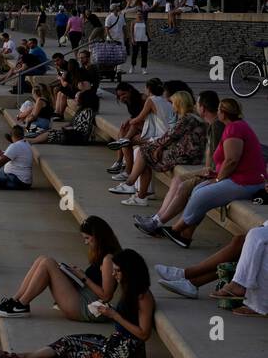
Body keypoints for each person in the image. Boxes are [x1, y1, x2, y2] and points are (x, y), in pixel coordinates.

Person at [0, 248, 154, 358]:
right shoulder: (129, 290)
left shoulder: (143, 297)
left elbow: (144, 334)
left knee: (72, 356)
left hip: (124, 356)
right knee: (68, 341)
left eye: (117, 271)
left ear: (130, 271)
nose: (113, 274)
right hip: (114, 343)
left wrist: (114, 315)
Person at [159, 98, 265, 249]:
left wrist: (218, 179)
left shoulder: (234, 129)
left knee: (201, 195)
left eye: (219, 111)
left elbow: (232, 160)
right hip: (240, 179)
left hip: (246, 182)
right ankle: (186, 236)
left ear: (223, 113)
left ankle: (177, 229)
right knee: (198, 190)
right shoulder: (236, 126)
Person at [0, 216, 122, 321]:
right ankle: (16, 301)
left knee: (48, 263)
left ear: (98, 237)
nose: (86, 242)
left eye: (88, 238)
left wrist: (83, 276)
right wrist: (74, 275)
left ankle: (21, 305)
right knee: (42, 259)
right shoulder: (102, 255)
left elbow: (106, 296)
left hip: (89, 307)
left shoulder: (108, 259)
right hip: (82, 295)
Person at [132, 90, 225, 238]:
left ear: (203, 108)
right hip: (206, 167)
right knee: (177, 179)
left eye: (198, 103)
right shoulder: (212, 124)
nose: (196, 106)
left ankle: (158, 222)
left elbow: (216, 160)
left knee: (184, 185)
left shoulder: (214, 126)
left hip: (213, 172)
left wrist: (206, 172)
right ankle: (156, 219)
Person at [109, 90, 205, 205]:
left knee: (144, 152)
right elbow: (170, 137)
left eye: (173, 103)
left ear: (179, 103)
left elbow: (169, 136)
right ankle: (138, 193)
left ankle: (132, 185)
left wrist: (155, 146)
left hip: (187, 156)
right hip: (188, 153)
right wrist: (158, 147)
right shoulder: (190, 117)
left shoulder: (186, 119)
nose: (172, 106)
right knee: (144, 153)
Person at [106, 77, 173, 184]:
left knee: (128, 138)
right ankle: (121, 159)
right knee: (125, 133)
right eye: (119, 96)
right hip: (160, 132)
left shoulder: (149, 100)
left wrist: (131, 121)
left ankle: (128, 174)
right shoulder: (165, 101)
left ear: (148, 89)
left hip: (157, 135)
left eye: (123, 94)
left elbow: (140, 118)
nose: (121, 98)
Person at [26, 82, 99, 146]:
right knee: (50, 132)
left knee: (51, 133)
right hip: (73, 134)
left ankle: (32, 141)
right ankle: (32, 139)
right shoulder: (82, 110)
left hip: (76, 137)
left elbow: (81, 129)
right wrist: (66, 126)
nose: (75, 99)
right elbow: (75, 124)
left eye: (78, 98)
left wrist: (67, 129)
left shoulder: (87, 112)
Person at [0, 124, 34, 190]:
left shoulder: (15, 146)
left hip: (18, 181)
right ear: (22, 135)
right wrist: (0, 153)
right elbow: (13, 156)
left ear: (12, 135)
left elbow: (0, 163)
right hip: (22, 180)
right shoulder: (25, 143)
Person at [128, 8, 150, 74]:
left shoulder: (144, 22)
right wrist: (132, 39)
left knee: (144, 55)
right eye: (138, 14)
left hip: (144, 39)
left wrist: (148, 38)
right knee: (134, 54)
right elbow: (131, 31)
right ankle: (132, 66)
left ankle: (144, 68)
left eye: (140, 14)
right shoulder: (133, 22)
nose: (139, 15)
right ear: (136, 15)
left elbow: (147, 30)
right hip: (136, 39)